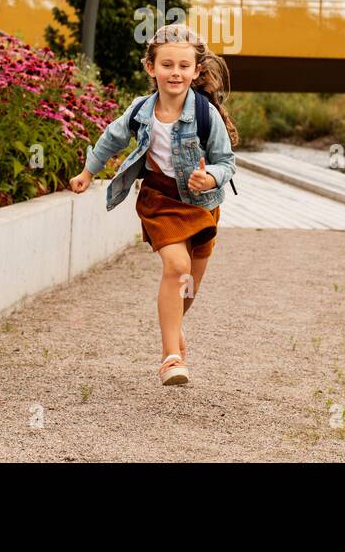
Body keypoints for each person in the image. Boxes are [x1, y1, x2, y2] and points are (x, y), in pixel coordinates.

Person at [69, 22, 238, 386]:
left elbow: (227, 163)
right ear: (151, 68)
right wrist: (87, 172)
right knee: (177, 268)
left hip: (203, 203)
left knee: (190, 284)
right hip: (159, 199)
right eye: (166, 65)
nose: (174, 73)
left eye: (182, 66)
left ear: (196, 71)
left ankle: (174, 332)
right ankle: (170, 358)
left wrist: (210, 178)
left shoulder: (206, 115)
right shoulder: (140, 111)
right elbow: (110, 139)